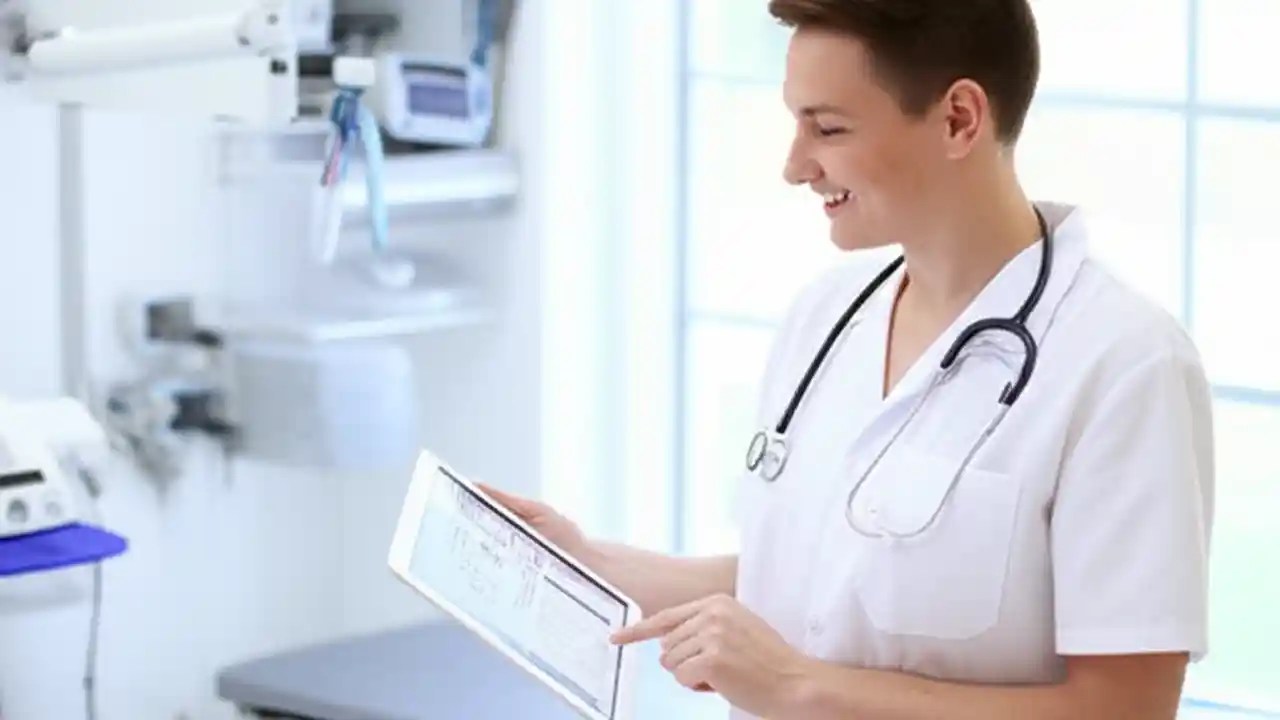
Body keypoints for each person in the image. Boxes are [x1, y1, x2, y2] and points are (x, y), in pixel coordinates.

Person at [484, 1, 1215, 718]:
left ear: (960, 118)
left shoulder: (1124, 365)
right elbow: (823, 590)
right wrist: (584, 562)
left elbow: (1125, 708)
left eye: (827, 128)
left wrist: (798, 689)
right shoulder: (825, 317)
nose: (795, 165)